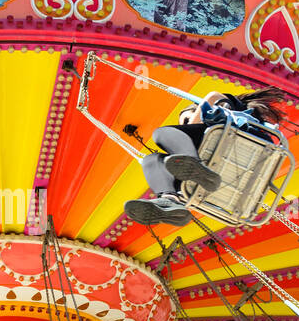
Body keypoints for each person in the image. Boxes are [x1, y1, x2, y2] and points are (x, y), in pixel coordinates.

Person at [122, 89, 284, 228]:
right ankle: (169, 201)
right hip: (215, 164)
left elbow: (213, 96)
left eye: (186, 119)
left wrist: (192, 121)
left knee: (162, 133)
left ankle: (195, 166)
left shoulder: (229, 108)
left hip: (234, 138)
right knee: (151, 160)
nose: (186, 125)